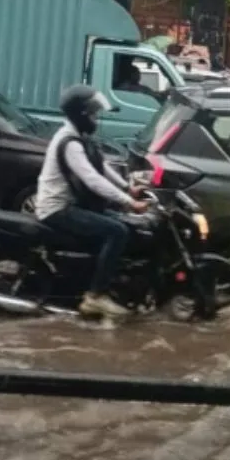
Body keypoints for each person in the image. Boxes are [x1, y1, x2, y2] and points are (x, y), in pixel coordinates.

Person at [35, 85, 149, 317]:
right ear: (81, 115)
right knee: (117, 232)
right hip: (57, 209)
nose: (96, 118)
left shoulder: (78, 138)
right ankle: (96, 295)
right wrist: (128, 201)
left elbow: (102, 166)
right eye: (93, 113)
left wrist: (128, 187)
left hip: (71, 205)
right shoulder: (71, 144)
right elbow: (92, 179)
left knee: (125, 223)